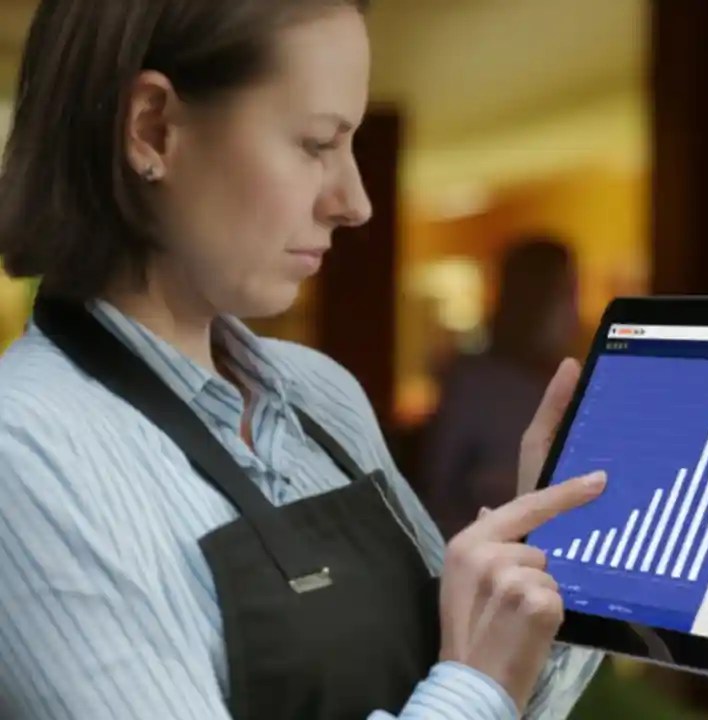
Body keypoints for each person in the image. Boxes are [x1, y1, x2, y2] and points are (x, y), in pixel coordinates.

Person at [0, 2, 605, 718]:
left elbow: (488, 684)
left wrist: (556, 552)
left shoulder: (323, 395)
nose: (356, 204)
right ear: (151, 128)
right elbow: (474, 687)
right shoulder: (25, 451)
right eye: (318, 143)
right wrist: (475, 685)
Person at [420, 237, 580, 539]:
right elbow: (440, 491)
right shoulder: (475, 384)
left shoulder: (577, 378)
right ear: (533, 299)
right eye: (566, 294)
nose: (574, 310)